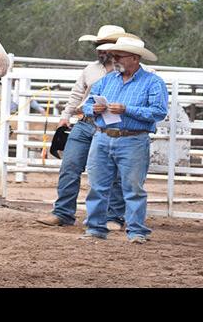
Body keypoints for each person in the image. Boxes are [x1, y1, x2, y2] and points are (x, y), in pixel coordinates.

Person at [36, 25, 133, 230]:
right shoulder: (90, 69)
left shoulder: (130, 71)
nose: (99, 50)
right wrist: (65, 116)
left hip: (113, 127)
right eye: (98, 45)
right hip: (85, 123)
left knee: (113, 173)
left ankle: (114, 216)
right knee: (70, 167)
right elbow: (77, 94)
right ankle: (63, 212)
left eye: (104, 46)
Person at [79, 36, 168, 244]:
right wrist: (93, 109)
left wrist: (128, 109)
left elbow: (158, 112)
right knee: (97, 185)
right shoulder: (107, 80)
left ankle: (136, 231)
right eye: (114, 55)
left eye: (119, 56)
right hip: (102, 136)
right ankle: (96, 227)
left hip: (133, 139)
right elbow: (85, 106)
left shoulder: (153, 82)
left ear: (135, 58)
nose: (114, 59)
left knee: (132, 187)